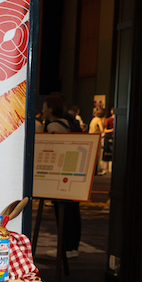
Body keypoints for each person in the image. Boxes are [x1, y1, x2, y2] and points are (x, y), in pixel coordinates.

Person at [42, 93, 81, 259]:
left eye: (44, 108)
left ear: (51, 109)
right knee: (72, 211)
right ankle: (71, 247)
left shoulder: (53, 128)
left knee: (64, 213)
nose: (42, 111)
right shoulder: (68, 123)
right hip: (73, 176)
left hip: (59, 176)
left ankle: (66, 248)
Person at [89, 105, 107, 175]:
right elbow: (102, 130)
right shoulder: (99, 120)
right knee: (97, 155)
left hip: (91, 137)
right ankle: (95, 171)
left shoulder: (93, 119)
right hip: (96, 138)